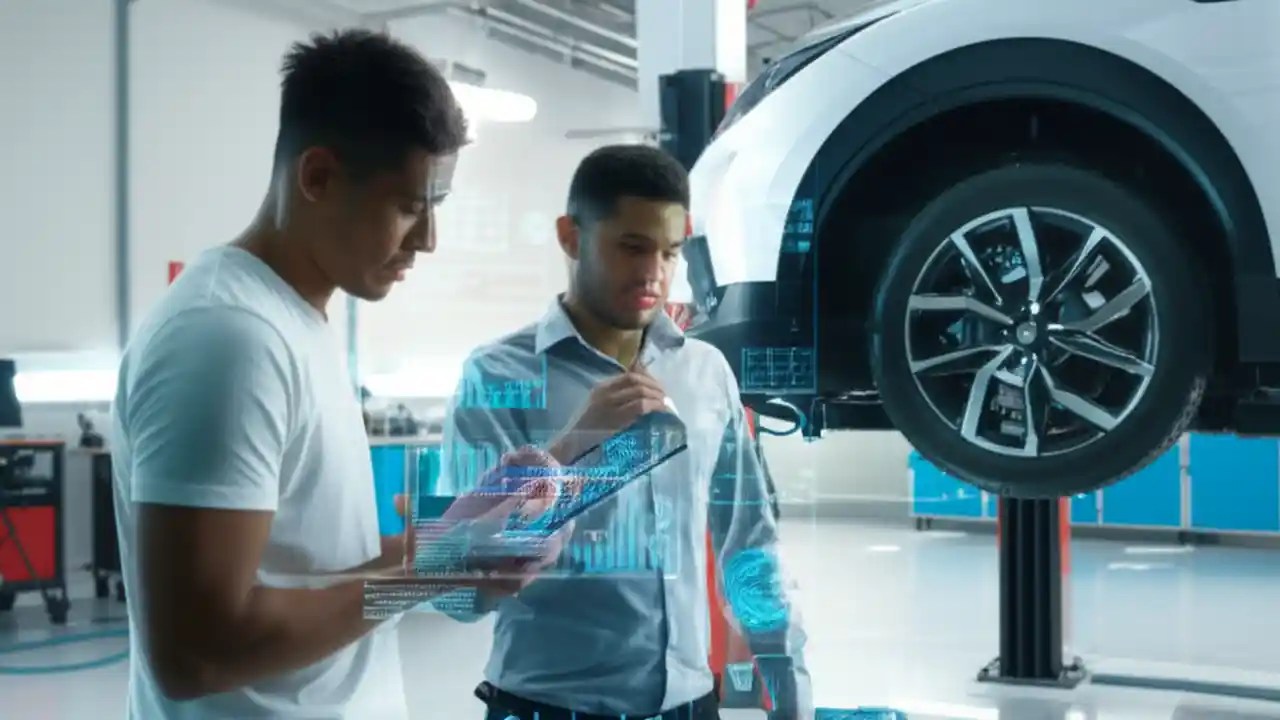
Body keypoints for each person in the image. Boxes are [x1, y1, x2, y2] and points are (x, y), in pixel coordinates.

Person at [110, 28, 560, 720]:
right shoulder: (230, 337)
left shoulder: (294, 321)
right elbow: (197, 652)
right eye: (409, 206)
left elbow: (303, 574)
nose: (428, 240)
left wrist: (445, 547)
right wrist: (423, 573)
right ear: (317, 177)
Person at [432, 145, 813, 720]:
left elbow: (749, 545)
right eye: (632, 248)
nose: (653, 275)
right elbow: (455, 590)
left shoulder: (705, 373)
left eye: (670, 252)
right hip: (546, 707)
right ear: (570, 237)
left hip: (690, 707)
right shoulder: (496, 377)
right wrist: (572, 449)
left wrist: (789, 693)